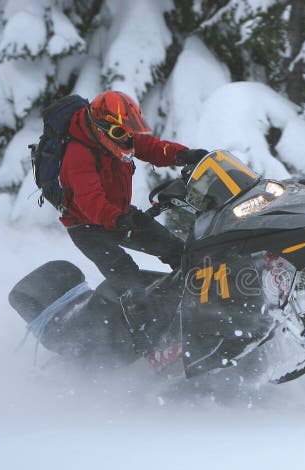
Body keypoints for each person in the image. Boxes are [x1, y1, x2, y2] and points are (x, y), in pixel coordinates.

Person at [58, 90, 206, 351]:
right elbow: (89, 200)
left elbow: (151, 147)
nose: (127, 138)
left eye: (129, 131)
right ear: (100, 128)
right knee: (131, 284)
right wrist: (117, 218)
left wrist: (183, 155)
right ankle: (149, 346)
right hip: (87, 228)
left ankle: (201, 307)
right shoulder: (77, 154)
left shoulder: (119, 136)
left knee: (180, 253)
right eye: (120, 133)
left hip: (121, 215)